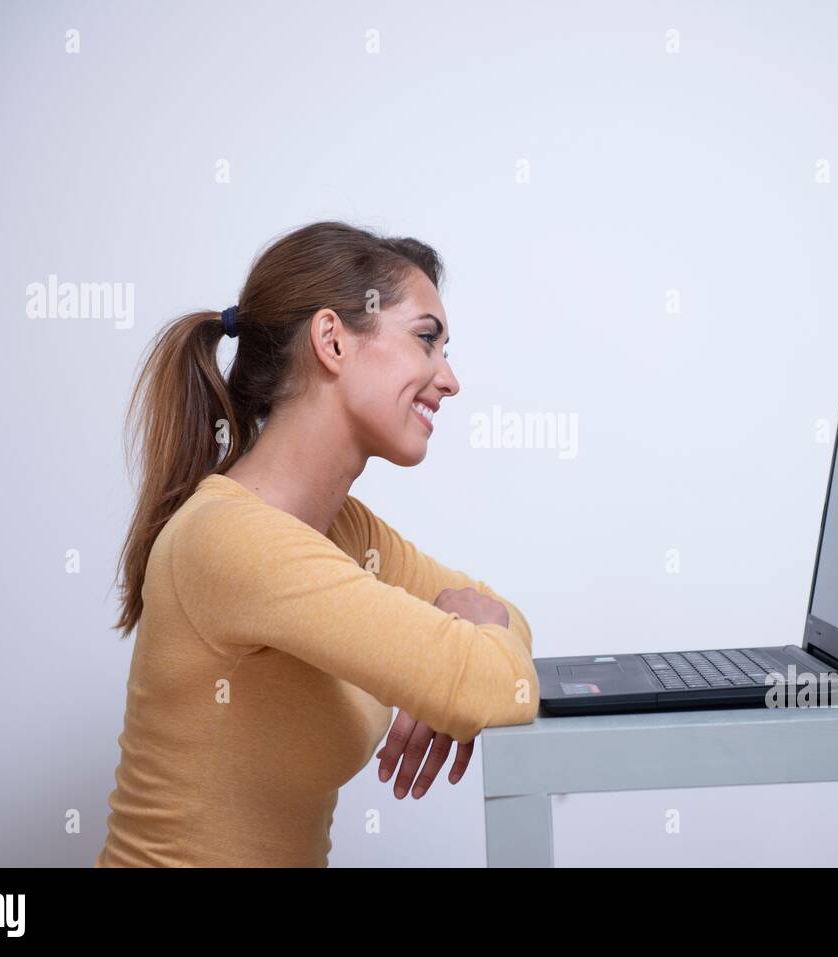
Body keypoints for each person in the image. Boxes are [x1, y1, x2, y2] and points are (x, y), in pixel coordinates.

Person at [94, 220, 538, 866]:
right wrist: (458, 668)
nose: (449, 380)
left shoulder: (345, 531)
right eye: (426, 341)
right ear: (332, 339)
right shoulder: (229, 539)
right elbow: (499, 685)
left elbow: (508, 627)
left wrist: (465, 654)